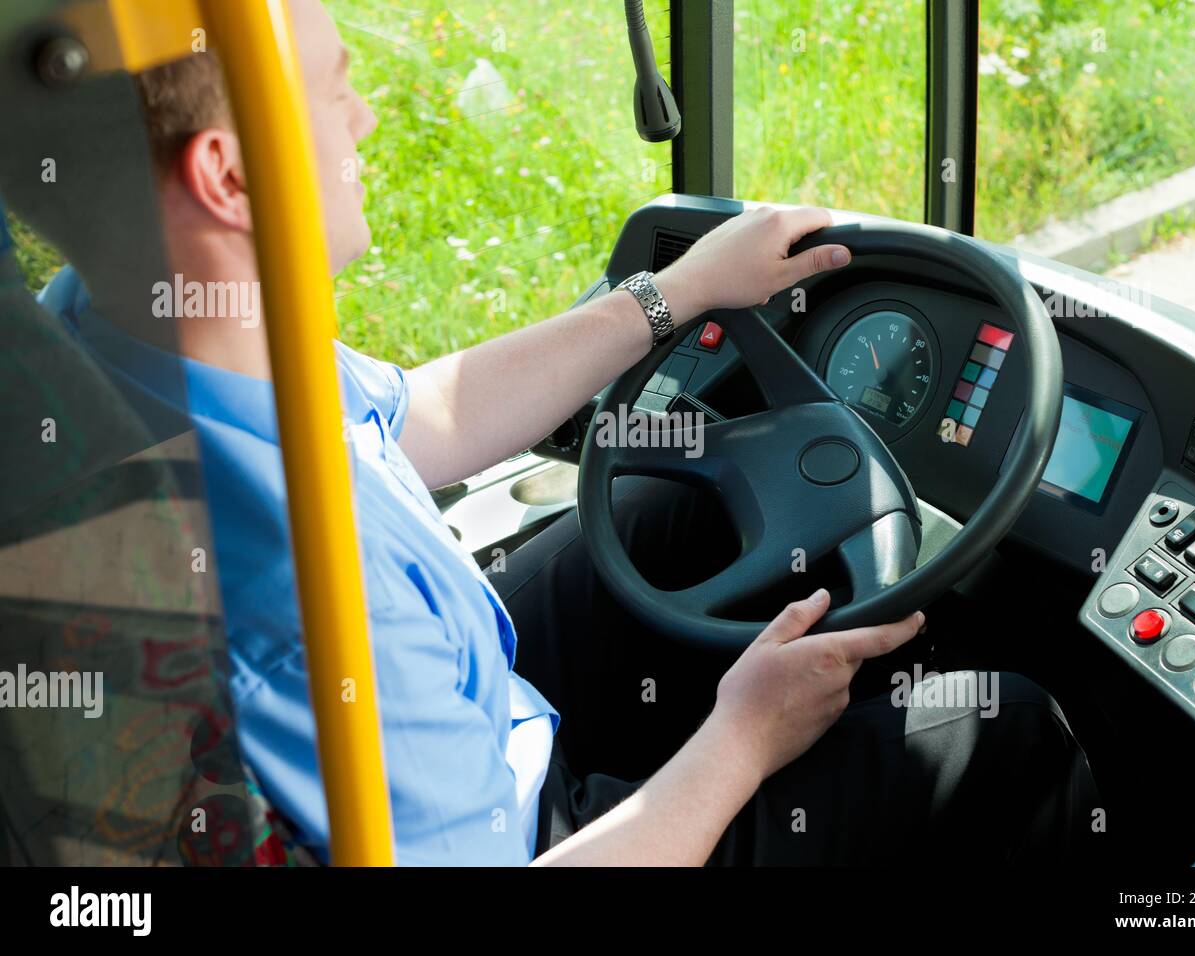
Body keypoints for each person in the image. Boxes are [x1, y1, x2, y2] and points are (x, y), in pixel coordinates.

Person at [39, 0, 1097, 865]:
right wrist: (743, 737)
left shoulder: (122, 324)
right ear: (229, 177)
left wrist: (675, 291)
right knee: (1005, 735)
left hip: (467, 711)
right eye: (336, 88)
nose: (361, 118)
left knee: (670, 511)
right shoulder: (303, 583)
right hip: (539, 834)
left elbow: (410, 416)